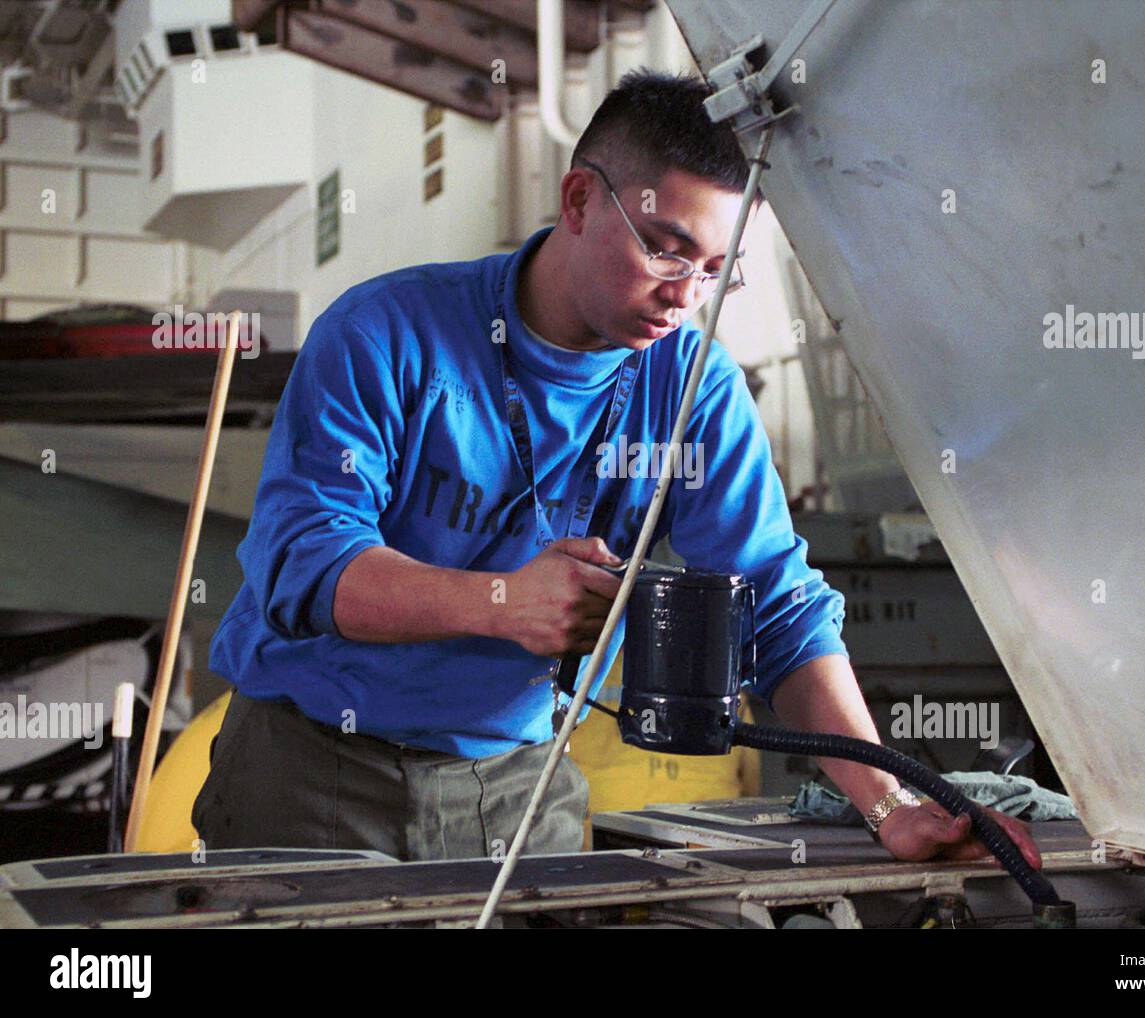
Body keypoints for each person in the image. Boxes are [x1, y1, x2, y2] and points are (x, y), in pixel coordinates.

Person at [194, 68, 1041, 872]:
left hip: (517, 783)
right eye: (668, 251)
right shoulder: (388, 334)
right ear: (577, 200)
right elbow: (302, 565)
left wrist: (888, 804)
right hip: (310, 773)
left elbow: (777, 608)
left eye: (714, 272)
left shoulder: (694, 389)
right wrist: (499, 603)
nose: (685, 297)